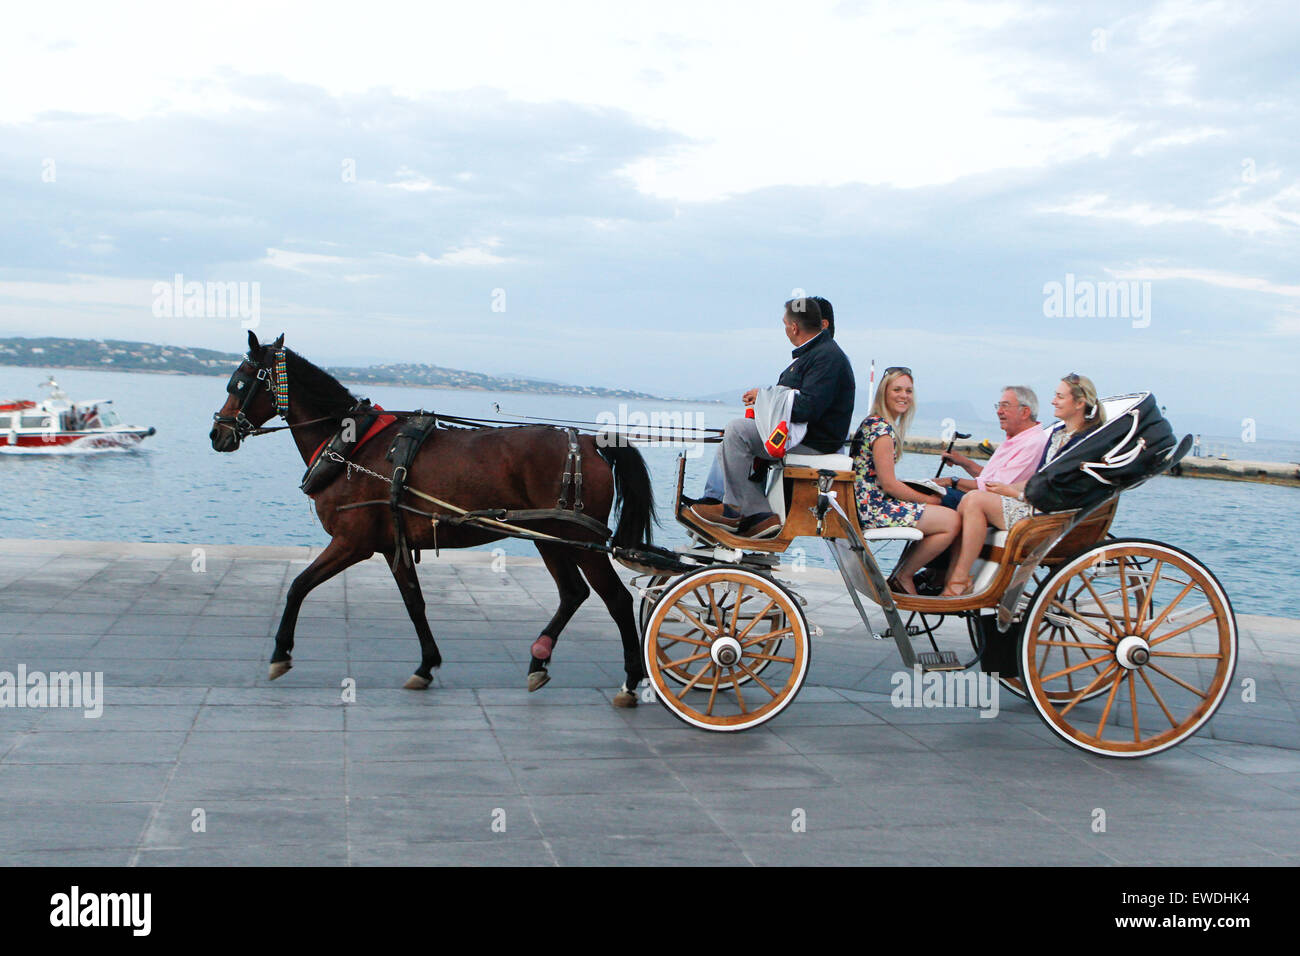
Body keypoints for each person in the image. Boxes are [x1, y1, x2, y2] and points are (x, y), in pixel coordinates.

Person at [691, 297, 855, 538]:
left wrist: (763, 398)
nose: (785, 329)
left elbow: (807, 407)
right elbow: (792, 400)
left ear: (794, 327)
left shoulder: (826, 357)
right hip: (807, 437)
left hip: (814, 443)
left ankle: (739, 511)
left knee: (737, 431)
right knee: (734, 434)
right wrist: (764, 400)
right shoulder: (816, 354)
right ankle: (740, 508)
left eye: (785, 324)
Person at [942, 373, 1107, 596]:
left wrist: (1013, 492)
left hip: (1049, 515)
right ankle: (952, 579)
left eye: (1060, 396)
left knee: (973, 500)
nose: (1053, 401)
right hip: (1036, 504)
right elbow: (1041, 479)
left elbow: (1061, 489)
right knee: (970, 500)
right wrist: (1010, 490)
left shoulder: (1084, 442)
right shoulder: (1060, 435)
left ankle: (959, 581)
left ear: (1079, 403)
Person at [850, 367, 959, 594]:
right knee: (951, 521)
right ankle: (904, 575)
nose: (904, 395)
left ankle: (903, 574)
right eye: (897, 389)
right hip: (873, 509)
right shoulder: (882, 430)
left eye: (908, 391)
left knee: (944, 517)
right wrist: (928, 499)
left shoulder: (872, 423)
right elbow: (889, 485)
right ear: (884, 393)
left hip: (865, 505)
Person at [934, 386, 1049, 509]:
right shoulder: (1018, 439)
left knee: (924, 493)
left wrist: (951, 481)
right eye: (998, 406)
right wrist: (963, 462)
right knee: (922, 490)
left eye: (1005, 406)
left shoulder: (1033, 443)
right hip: (984, 499)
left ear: (1025, 412)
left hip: (992, 506)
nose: (999, 411)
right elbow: (990, 478)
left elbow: (995, 487)